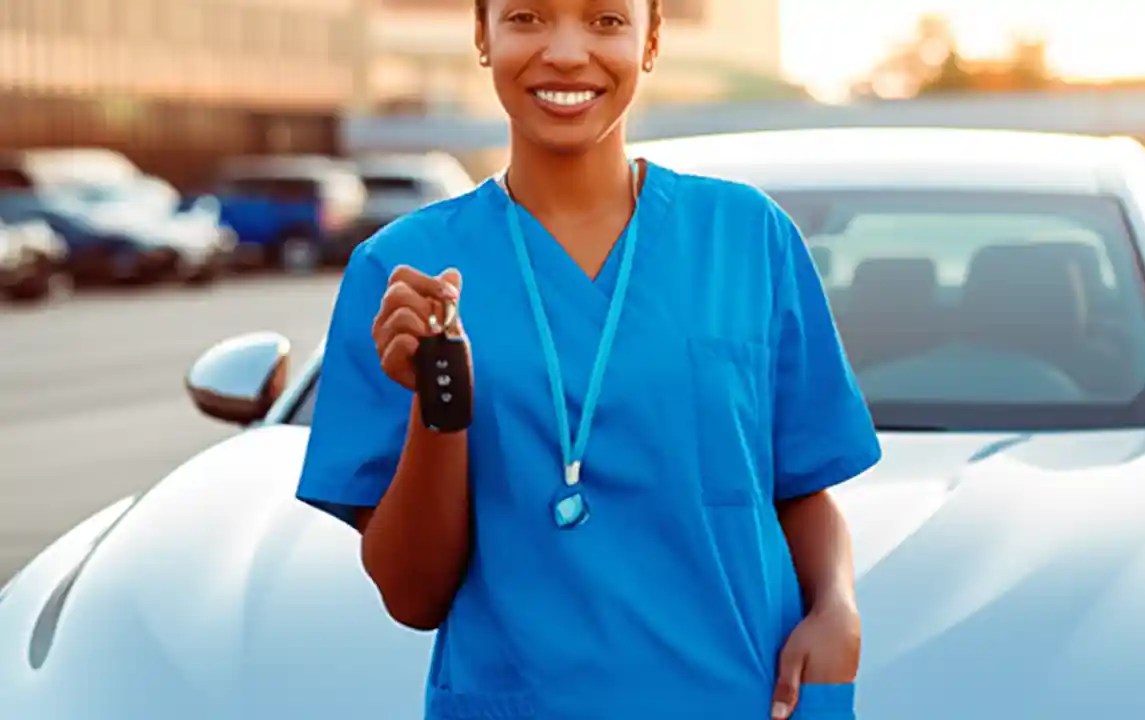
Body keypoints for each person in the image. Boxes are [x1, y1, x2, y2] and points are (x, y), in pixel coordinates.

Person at [295, 0, 882, 718]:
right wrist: (437, 405)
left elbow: (799, 491)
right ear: (482, 36)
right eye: (527, 18)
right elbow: (412, 597)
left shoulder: (748, 236)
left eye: (605, 20)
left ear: (652, 39)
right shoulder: (401, 273)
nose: (567, 52)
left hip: (745, 694)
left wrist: (838, 610)